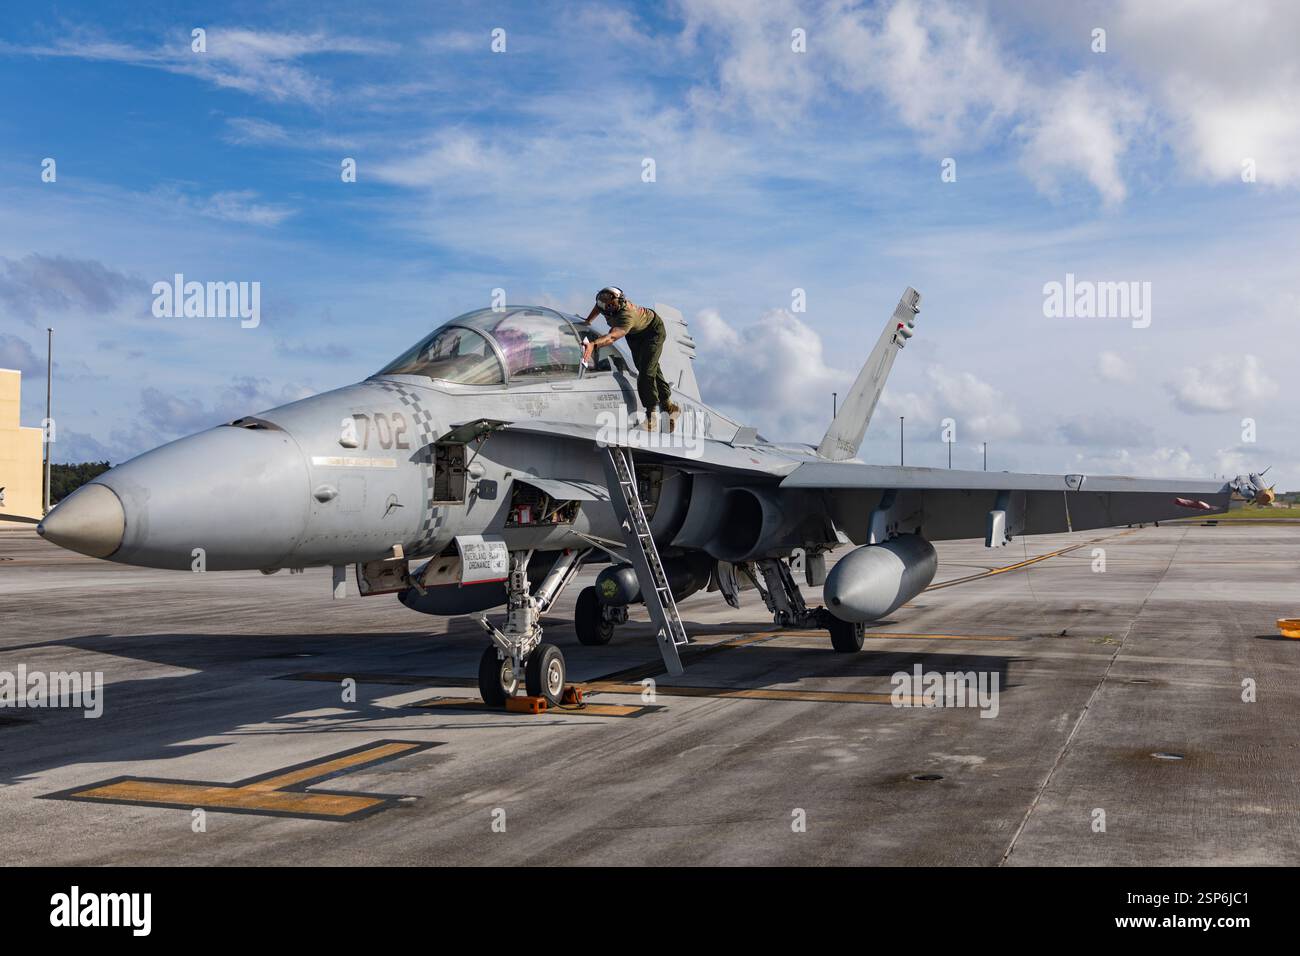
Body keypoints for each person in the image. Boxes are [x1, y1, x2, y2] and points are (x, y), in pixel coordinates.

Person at [583, 287, 680, 431]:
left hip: (653, 331)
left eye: (611, 304)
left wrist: (593, 345)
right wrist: (588, 321)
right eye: (605, 304)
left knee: (646, 372)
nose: (608, 307)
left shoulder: (626, 316)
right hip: (634, 335)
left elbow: (612, 337)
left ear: (619, 301)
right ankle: (669, 407)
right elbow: (598, 307)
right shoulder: (604, 303)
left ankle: (651, 416)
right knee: (648, 367)